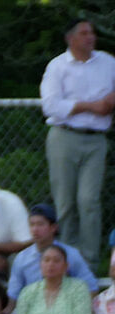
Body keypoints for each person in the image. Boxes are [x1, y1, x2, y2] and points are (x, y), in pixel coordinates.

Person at [41, 17, 115, 261]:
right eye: (84, 33)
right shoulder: (57, 66)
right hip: (65, 137)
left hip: (96, 140)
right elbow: (51, 106)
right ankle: (67, 260)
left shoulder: (108, 62)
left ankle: (90, 263)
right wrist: (91, 106)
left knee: (89, 201)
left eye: (91, 32)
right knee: (66, 205)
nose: (90, 37)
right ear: (70, 38)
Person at [8, 202, 96, 299]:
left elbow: (91, 288)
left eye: (40, 224)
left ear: (53, 228)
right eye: (32, 224)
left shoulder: (71, 254)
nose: (35, 229)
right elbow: (13, 296)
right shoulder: (21, 258)